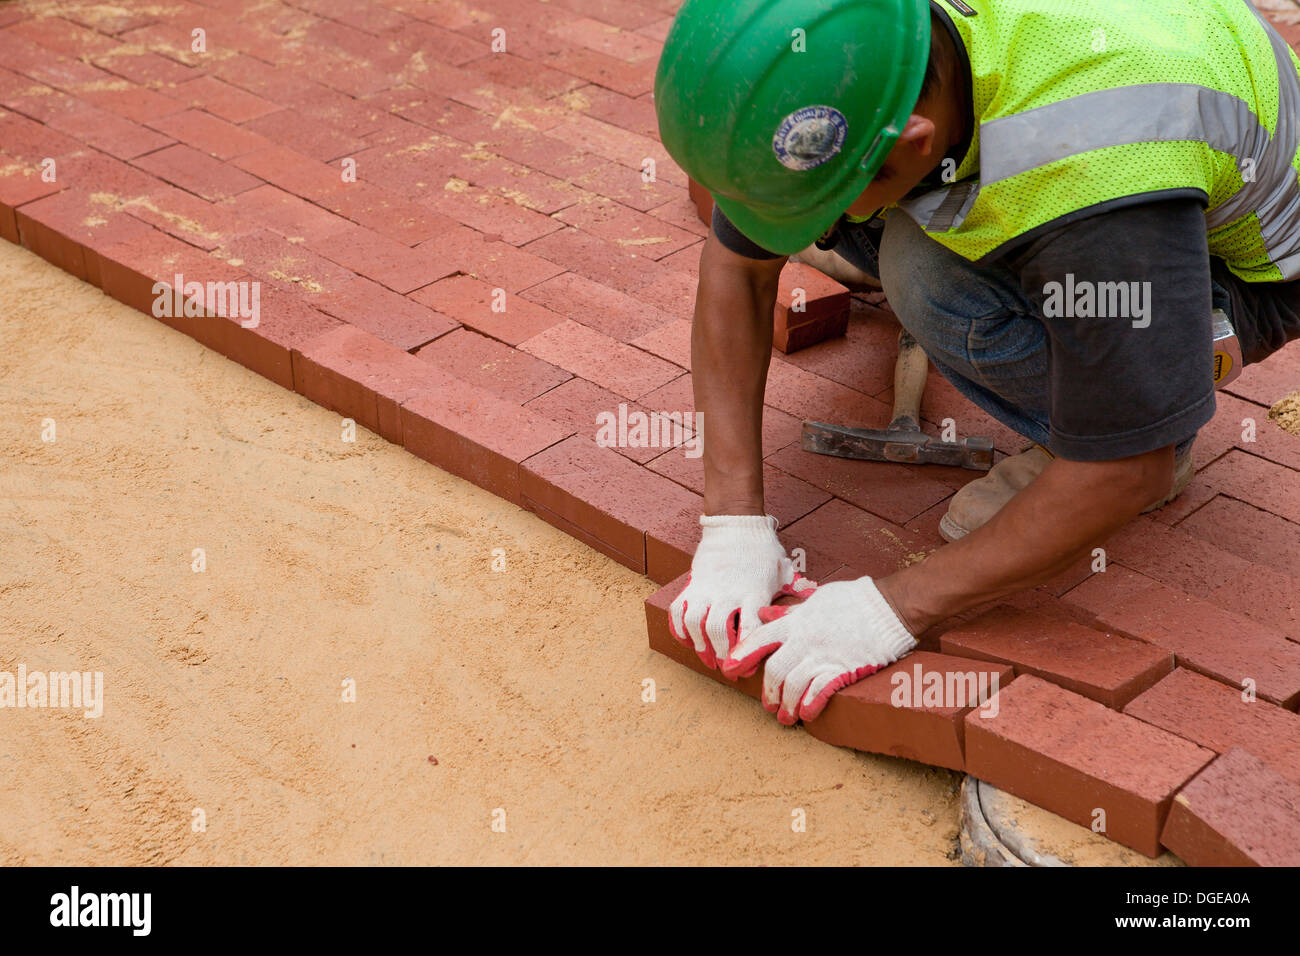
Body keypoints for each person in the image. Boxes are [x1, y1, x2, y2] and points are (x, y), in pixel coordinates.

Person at [652, 0, 1300, 724]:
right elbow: (737, 268)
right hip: (1064, 155)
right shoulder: (873, 46)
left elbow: (1127, 471)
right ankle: (863, 219)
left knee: (925, 282)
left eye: (828, 203)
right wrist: (733, 524)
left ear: (913, 143)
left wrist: (890, 610)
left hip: (1225, 270)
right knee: (807, 212)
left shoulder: (1095, 172)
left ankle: (1141, 417)